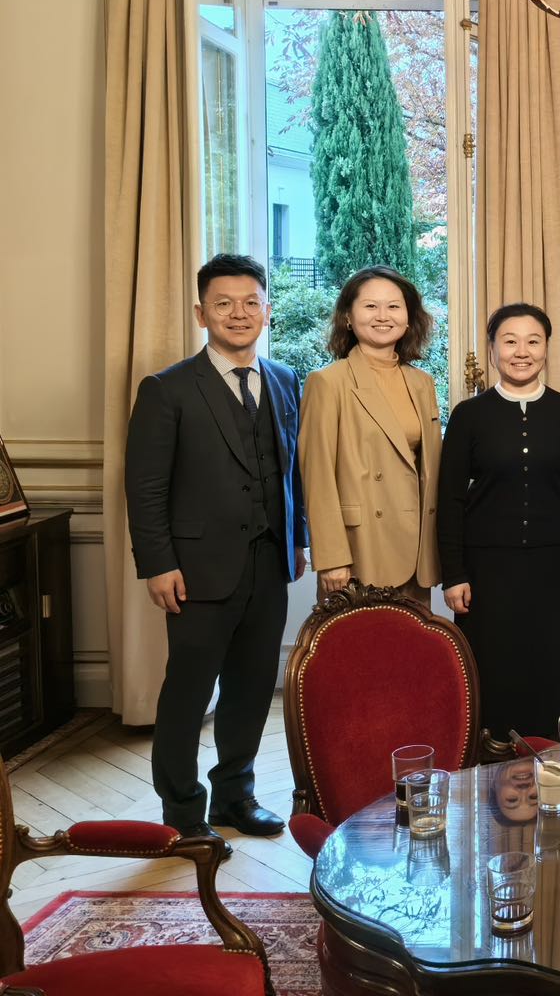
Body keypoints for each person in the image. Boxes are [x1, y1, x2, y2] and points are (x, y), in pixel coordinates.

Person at [124, 254, 306, 840]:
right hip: (196, 570)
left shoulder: (282, 380)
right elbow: (145, 487)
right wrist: (158, 565)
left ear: (267, 311)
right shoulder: (167, 389)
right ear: (201, 312)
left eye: (251, 302)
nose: (239, 313)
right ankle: (181, 813)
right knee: (188, 691)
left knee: (253, 687)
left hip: (267, 561)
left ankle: (235, 796)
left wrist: (296, 540)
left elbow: (291, 472)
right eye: (224, 303)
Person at [438, 303, 560, 740]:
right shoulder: (469, 416)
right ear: (492, 350)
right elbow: (449, 500)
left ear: (547, 348)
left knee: (553, 665)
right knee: (495, 665)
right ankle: (494, 765)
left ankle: (556, 765)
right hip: (488, 571)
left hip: (557, 567)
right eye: (509, 341)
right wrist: (454, 574)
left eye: (533, 341)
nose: (521, 351)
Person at [300, 266, 442, 602]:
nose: (383, 316)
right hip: (359, 552)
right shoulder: (328, 382)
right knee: (358, 652)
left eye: (394, 306)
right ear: (348, 316)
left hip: (416, 553)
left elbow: (428, 473)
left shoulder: (422, 383)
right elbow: (316, 476)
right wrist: (332, 557)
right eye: (370, 306)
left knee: (414, 653)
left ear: (409, 318)